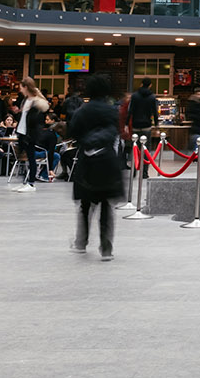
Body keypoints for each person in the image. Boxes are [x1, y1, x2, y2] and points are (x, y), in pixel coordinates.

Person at [67, 73, 123, 261]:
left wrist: (87, 142)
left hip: (87, 161)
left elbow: (73, 132)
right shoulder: (111, 111)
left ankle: (81, 242)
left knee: (85, 204)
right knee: (107, 205)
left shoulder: (81, 111)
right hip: (107, 160)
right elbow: (117, 132)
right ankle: (106, 249)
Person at [13, 77, 50, 192]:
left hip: (30, 134)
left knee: (31, 157)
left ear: (26, 87)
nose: (20, 90)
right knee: (23, 157)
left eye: (21, 87)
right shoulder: (26, 100)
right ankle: (25, 181)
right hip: (22, 132)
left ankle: (31, 183)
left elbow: (36, 120)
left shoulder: (36, 102)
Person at [128, 78, 157, 174]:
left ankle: (134, 171)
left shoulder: (135, 96)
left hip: (136, 125)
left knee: (135, 147)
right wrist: (156, 124)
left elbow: (130, 111)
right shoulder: (152, 97)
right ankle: (144, 172)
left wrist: (126, 124)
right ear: (150, 85)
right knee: (146, 149)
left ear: (141, 84)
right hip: (147, 125)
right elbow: (155, 112)